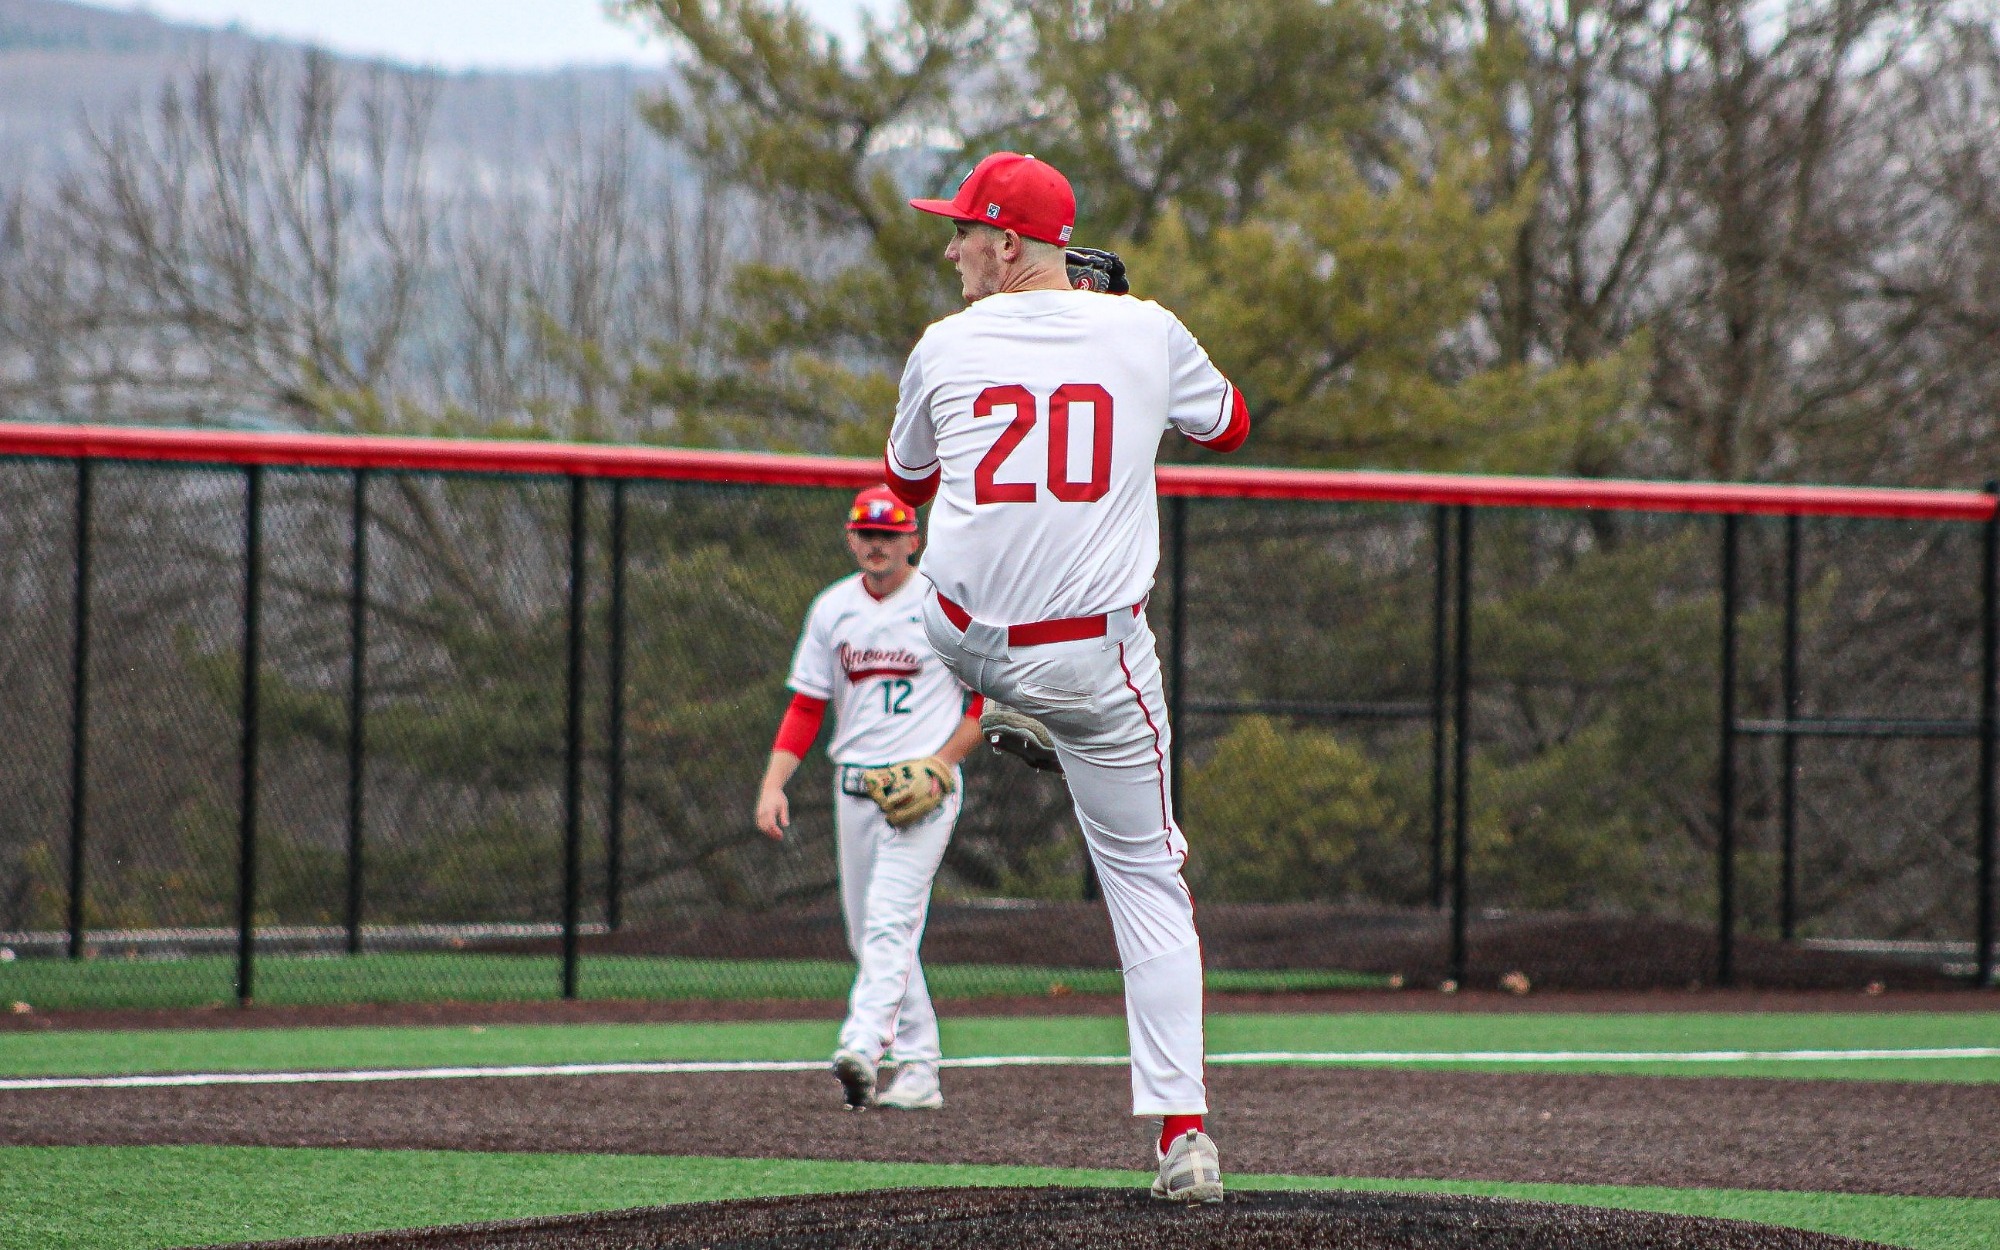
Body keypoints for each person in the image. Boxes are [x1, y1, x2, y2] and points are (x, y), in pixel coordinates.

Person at [884, 151, 1249, 1203]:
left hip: (953, 631)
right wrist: (1118, 320)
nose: (950, 247)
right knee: (1144, 878)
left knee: (936, 595)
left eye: (962, 231)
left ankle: (1009, 702)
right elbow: (1226, 424)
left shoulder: (943, 343)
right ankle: (1183, 1133)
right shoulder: (1145, 328)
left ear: (1006, 245)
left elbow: (903, 482)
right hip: (1089, 659)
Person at [755, 486, 985, 1112]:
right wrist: (775, 783)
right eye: (866, 532)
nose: (877, 543)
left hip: (922, 790)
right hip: (854, 788)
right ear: (851, 537)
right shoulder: (833, 608)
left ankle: (862, 1045)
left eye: (890, 533)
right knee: (871, 936)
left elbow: (985, 700)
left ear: (914, 538)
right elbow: (807, 705)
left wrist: (942, 765)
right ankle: (921, 1070)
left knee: (888, 920)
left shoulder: (942, 604)